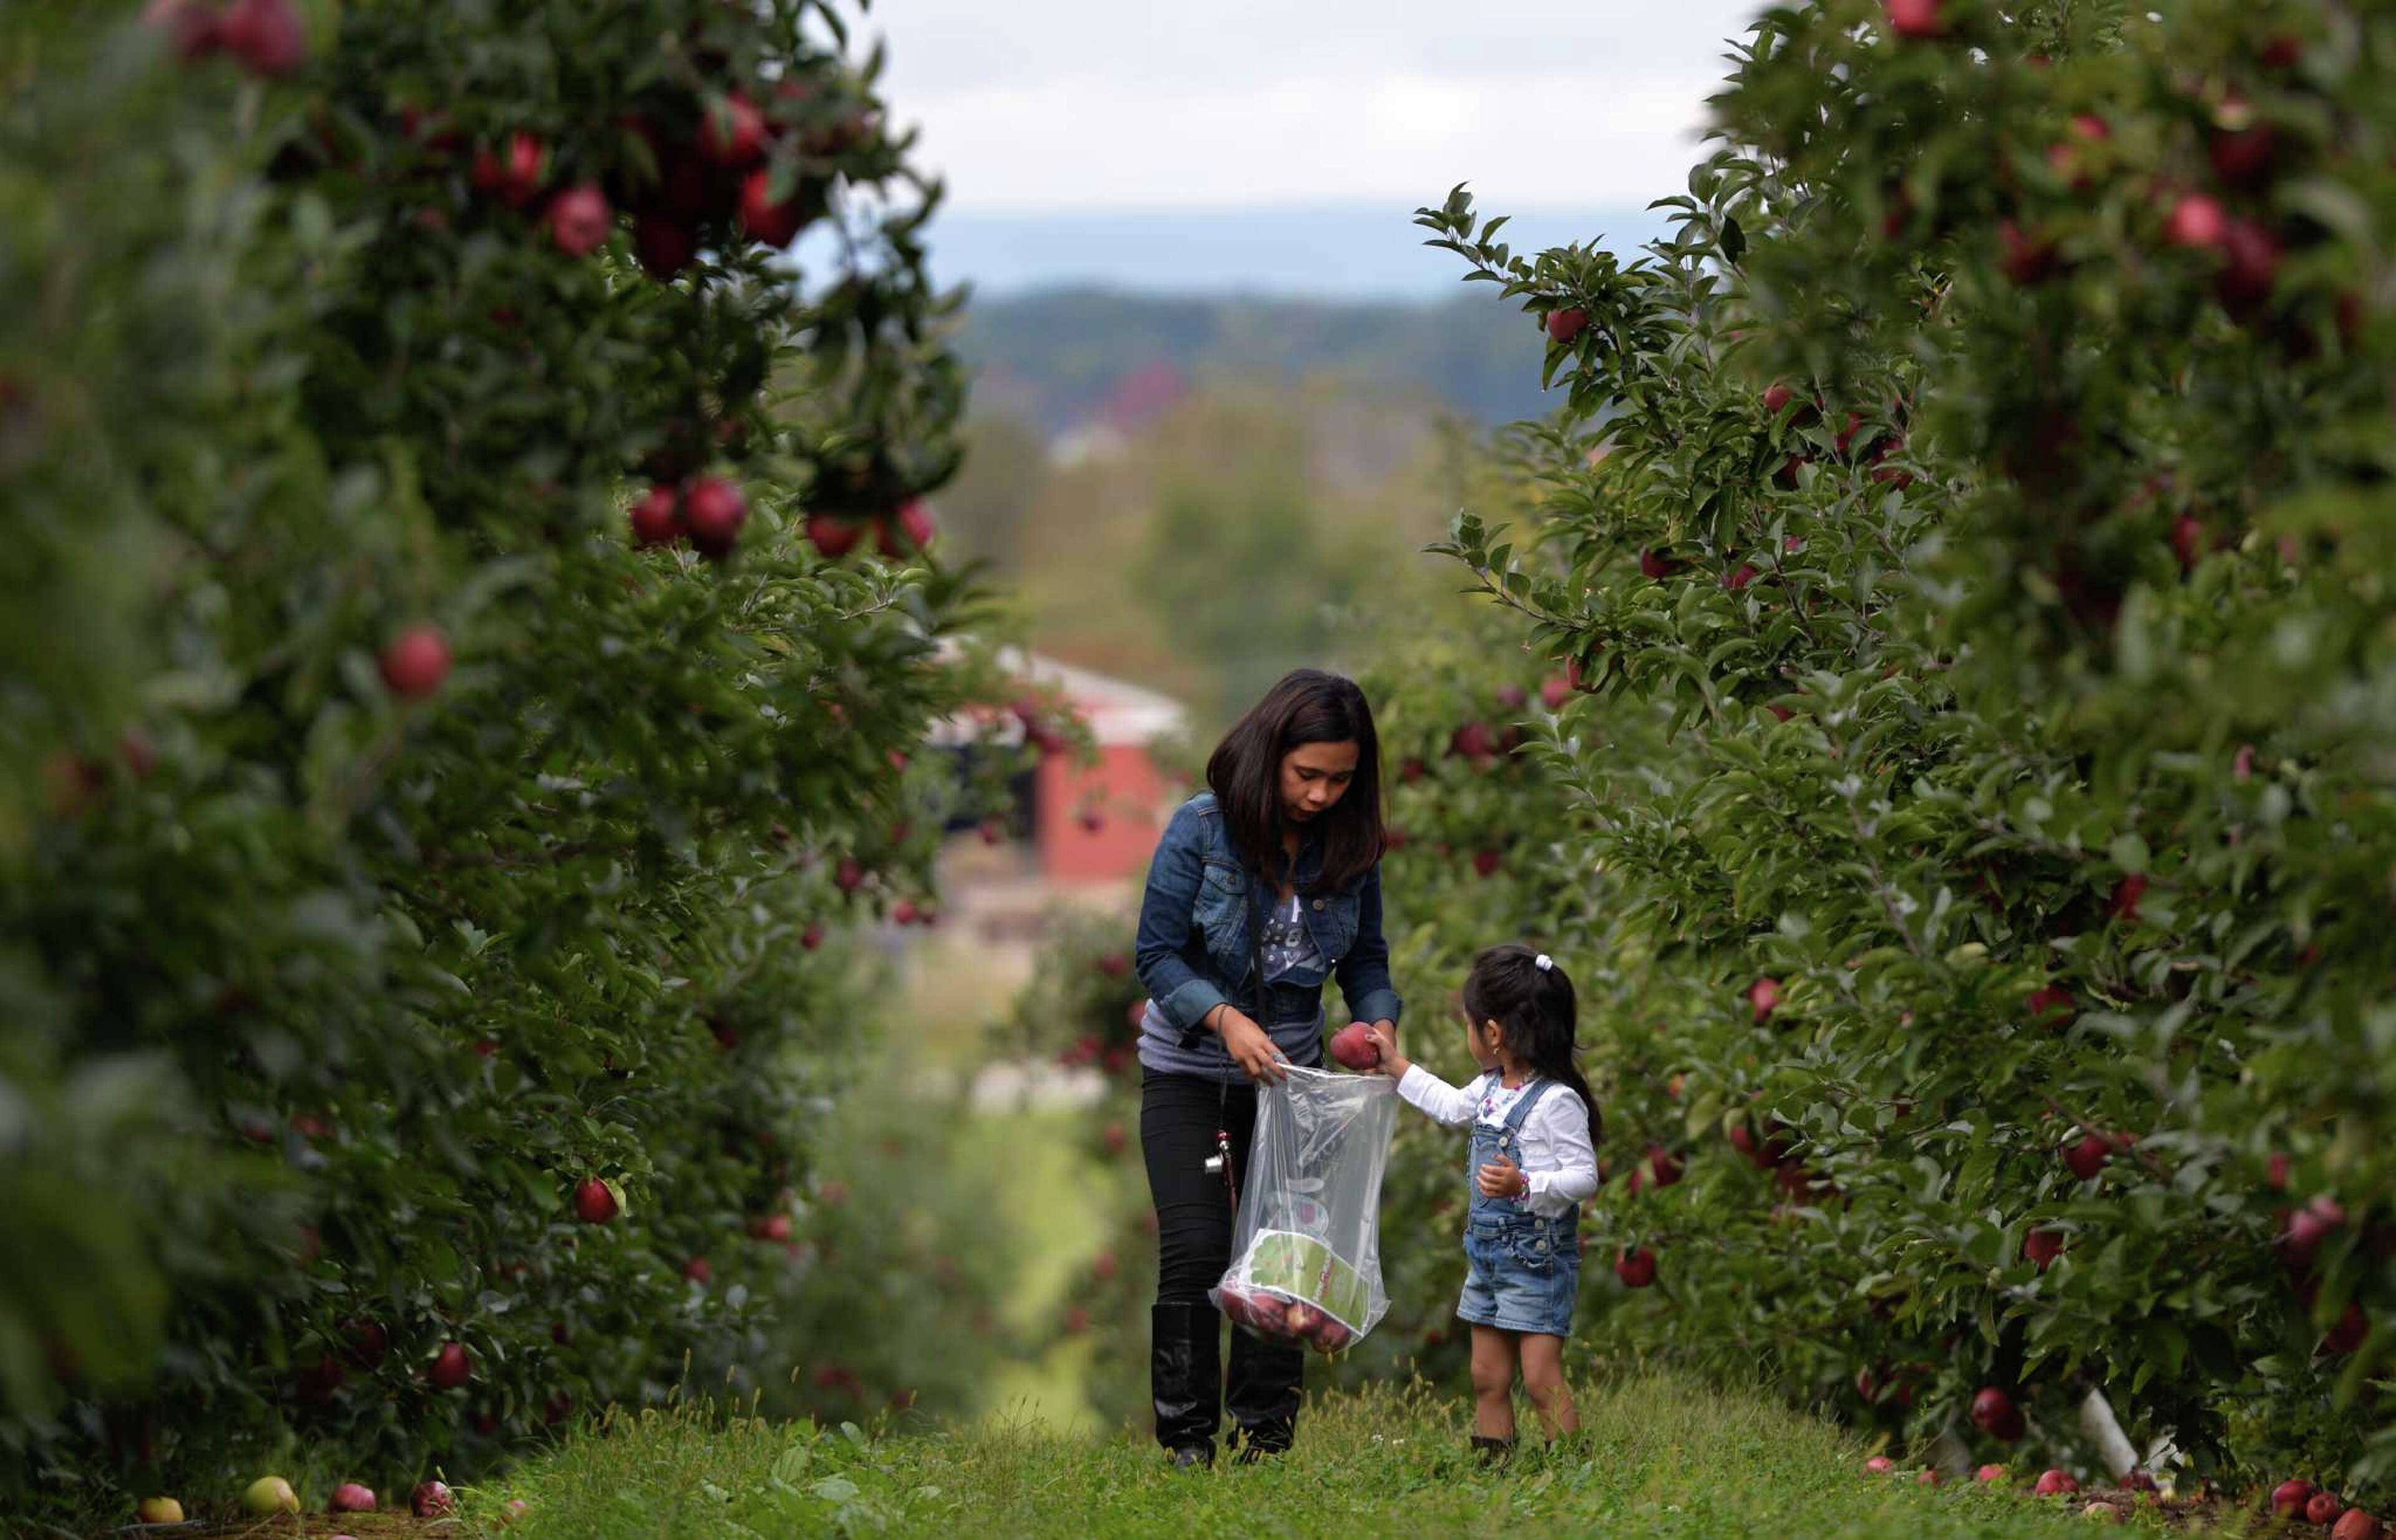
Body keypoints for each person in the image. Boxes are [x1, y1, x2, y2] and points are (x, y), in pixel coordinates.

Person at [1131, 668, 1403, 1468]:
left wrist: (1377, 1019)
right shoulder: (1201, 830)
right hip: (1190, 1071)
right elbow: (1155, 953)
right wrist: (1224, 1016)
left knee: (1285, 1252)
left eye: (1341, 778)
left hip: (1296, 1084)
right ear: (1270, 755)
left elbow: (1368, 959)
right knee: (1197, 1247)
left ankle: (1267, 1441)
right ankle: (1188, 1443)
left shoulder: (1352, 845)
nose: (1322, 795)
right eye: (1307, 775)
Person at [1364, 943, 1599, 1464]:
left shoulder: (1557, 1101)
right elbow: (1449, 1106)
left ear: (1493, 1034)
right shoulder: (1492, 1089)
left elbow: (1585, 1177)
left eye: (1469, 1027)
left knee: (1540, 1379)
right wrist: (1394, 1064)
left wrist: (1525, 1185)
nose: (1469, 1036)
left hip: (1538, 1260)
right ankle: (1495, 1466)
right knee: (1486, 1375)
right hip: (1489, 1258)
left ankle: (1574, 1472)